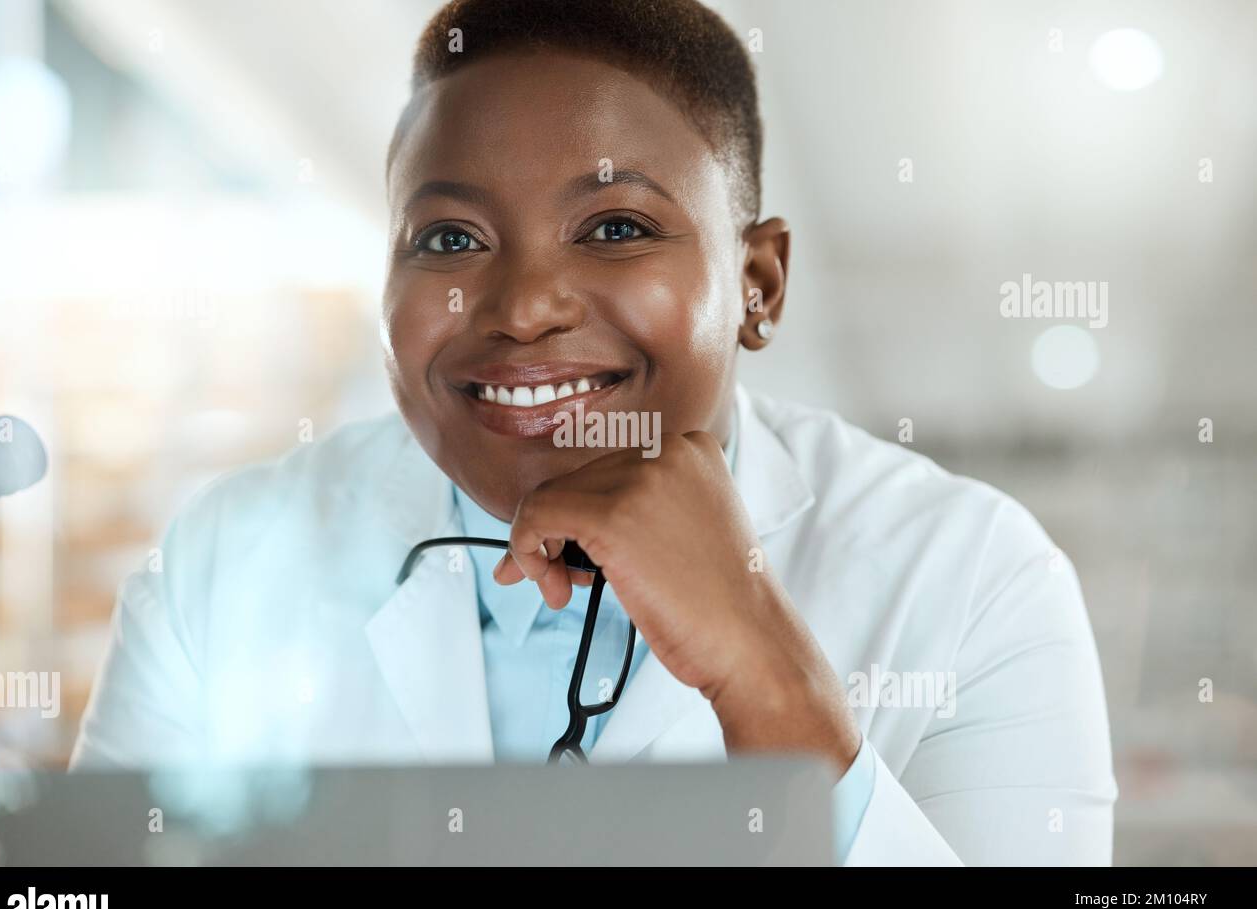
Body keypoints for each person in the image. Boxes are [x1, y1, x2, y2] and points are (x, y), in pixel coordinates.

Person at [71, 0, 1117, 865]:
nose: (523, 307)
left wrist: (763, 673)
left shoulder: (973, 574)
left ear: (757, 284)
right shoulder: (224, 558)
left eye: (615, 227)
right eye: (448, 238)